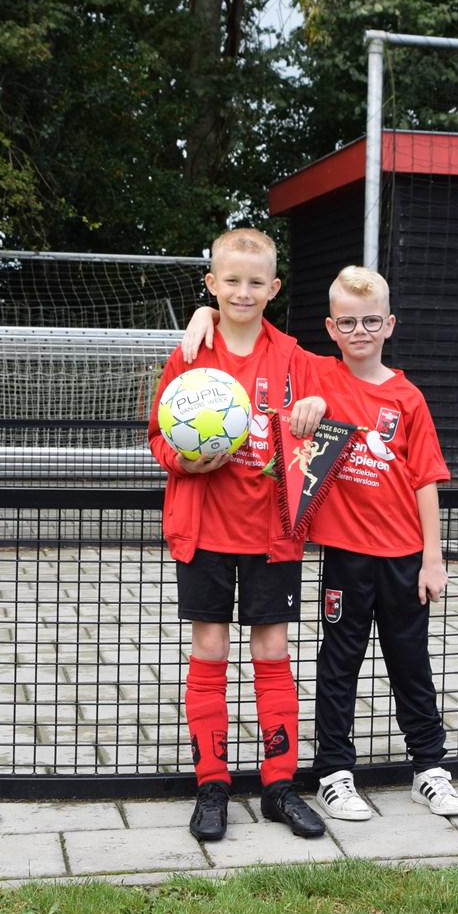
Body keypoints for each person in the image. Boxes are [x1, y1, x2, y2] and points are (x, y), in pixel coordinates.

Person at [181, 265, 458, 821]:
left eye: (369, 321)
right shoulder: (318, 375)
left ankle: (430, 768)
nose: (358, 331)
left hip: (406, 558)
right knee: (339, 663)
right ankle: (335, 773)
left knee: (410, 662)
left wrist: (433, 558)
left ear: (388, 324)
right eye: (346, 323)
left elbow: (426, 479)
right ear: (331, 329)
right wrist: (207, 312)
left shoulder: (408, 397)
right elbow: (252, 325)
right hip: (344, 555)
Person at [148, 228, 328, 843]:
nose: (243, 292)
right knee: (211, 651)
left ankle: (279, 786)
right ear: (212, 285)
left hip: (273, 534)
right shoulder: (191, 354)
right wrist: (182, 461)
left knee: (272, 654)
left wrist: (317, 411)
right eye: (231, 282)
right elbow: (156, 435)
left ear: (274, 288)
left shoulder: (297, 360)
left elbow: (335, 403)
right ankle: (212, 785)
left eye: (256, 282)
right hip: (204, 530)